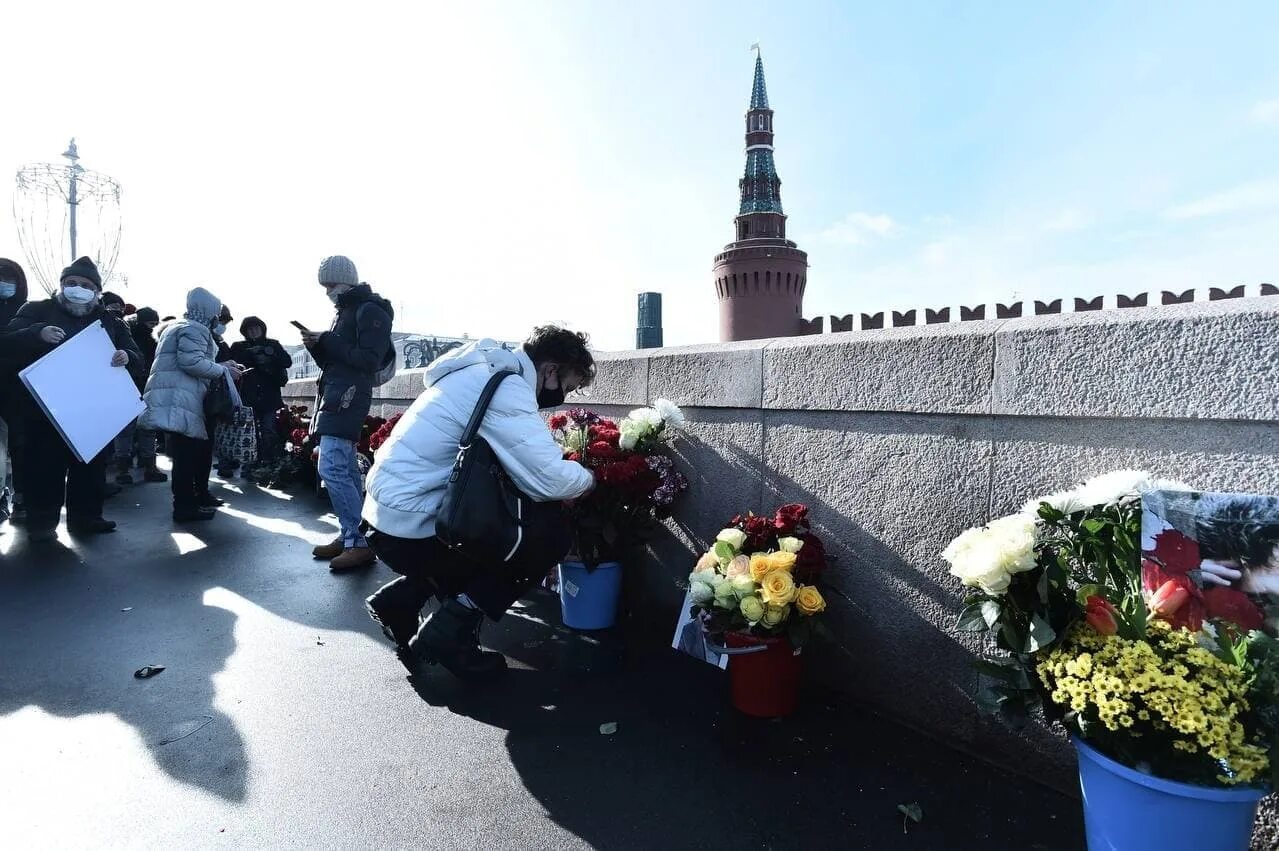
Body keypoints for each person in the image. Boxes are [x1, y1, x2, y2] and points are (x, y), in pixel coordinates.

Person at [361, 325, 596, 679]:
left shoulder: (478, 369)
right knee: (546, 537)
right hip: (410, 526)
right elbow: (547, 478)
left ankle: (402, 600)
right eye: (568, 385)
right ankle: (449, 635)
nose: (565, 394)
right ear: (550, 370)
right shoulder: (508, 387)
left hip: (385, 514)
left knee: (492, 530)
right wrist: (592, 479)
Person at [0, 256, 143, 541]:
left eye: (86, 284)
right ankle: (42, 522)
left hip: (93, 410)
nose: (78, 288)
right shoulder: (37, 310)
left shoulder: (110, 320)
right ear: (61, 285)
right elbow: (6, 340)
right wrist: (36, 333)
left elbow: (138, 358)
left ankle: (86, 518)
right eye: (71, 283)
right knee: (45, 467)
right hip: (44, 410)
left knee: (90, 467)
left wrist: (127, 357)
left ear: (97, 291)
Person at [302, 255, 393, 572]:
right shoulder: (349, 311)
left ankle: (357, 541)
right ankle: (352, 533)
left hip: (348, 397)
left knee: (333, 468)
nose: (327, 290)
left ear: (345, 280)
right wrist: (318, 346)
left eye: (330, 284)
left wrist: (327, 340)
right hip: (339, 395)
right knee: (345, 470)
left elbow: (369, 360)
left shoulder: (369, 311)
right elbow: (340, 359)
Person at [140, 287, 244, 522]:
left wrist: (220, 364)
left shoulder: (178, 327)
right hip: (184, 399)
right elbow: (191, 362)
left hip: (181, 398)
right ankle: (186, 506)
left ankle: (199, 496)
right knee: (188, 456)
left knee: (195, 453)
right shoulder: (195, 329)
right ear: (209, 311)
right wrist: (223, 370)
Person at [227, 317, 292, 472]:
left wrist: (269, 355)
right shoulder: (238, 346)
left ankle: (268, 463)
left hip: (269, 397)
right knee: (248, 432)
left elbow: (287, 361)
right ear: (245, 332)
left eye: (256, 328)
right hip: (247, 398)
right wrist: (252, 355)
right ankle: (249, 465)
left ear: (263, 329)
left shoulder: (273, 344)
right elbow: (233, 364)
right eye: (249, 329)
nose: (253, 331)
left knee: (269, 430)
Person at [112, 307, 166, 484]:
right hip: (144, 387)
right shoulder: (152, 341)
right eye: (152, 323)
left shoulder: (125, 335)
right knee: (147, 430)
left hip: (126, 389)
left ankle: (123, 469)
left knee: (125, 431)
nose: (153, 327)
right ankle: (149, 466)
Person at [0, 257, 30, 525]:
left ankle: (22, 498)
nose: (4, 284)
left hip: (19, 391)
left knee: (21, 446)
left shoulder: (27, 311)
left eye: (10, 279)